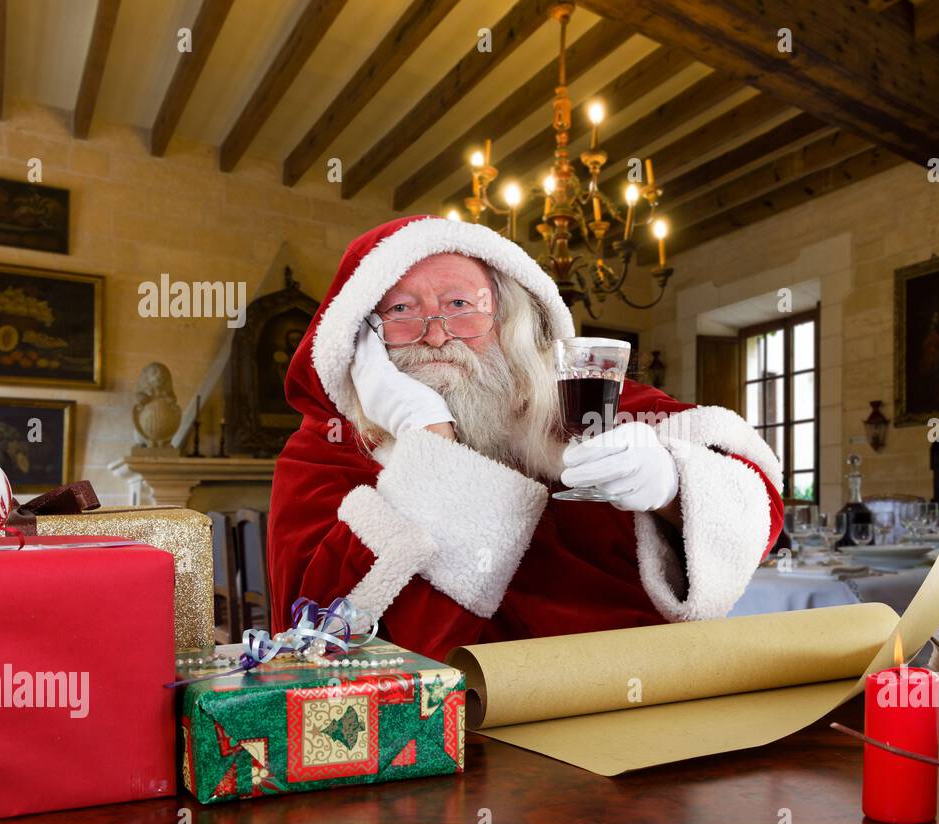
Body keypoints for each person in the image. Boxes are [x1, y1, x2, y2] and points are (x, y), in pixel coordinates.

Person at [269, 215, 783, 661]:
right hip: (451, 732)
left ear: (507, 317)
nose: (436, 334)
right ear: (363, 338)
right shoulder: (326, 451)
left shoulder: (571, 400)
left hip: (633, 695)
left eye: (459, 304)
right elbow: (312, 638)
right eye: (401, 311)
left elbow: (756, 499)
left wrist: (675, 483)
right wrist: (430, 444)